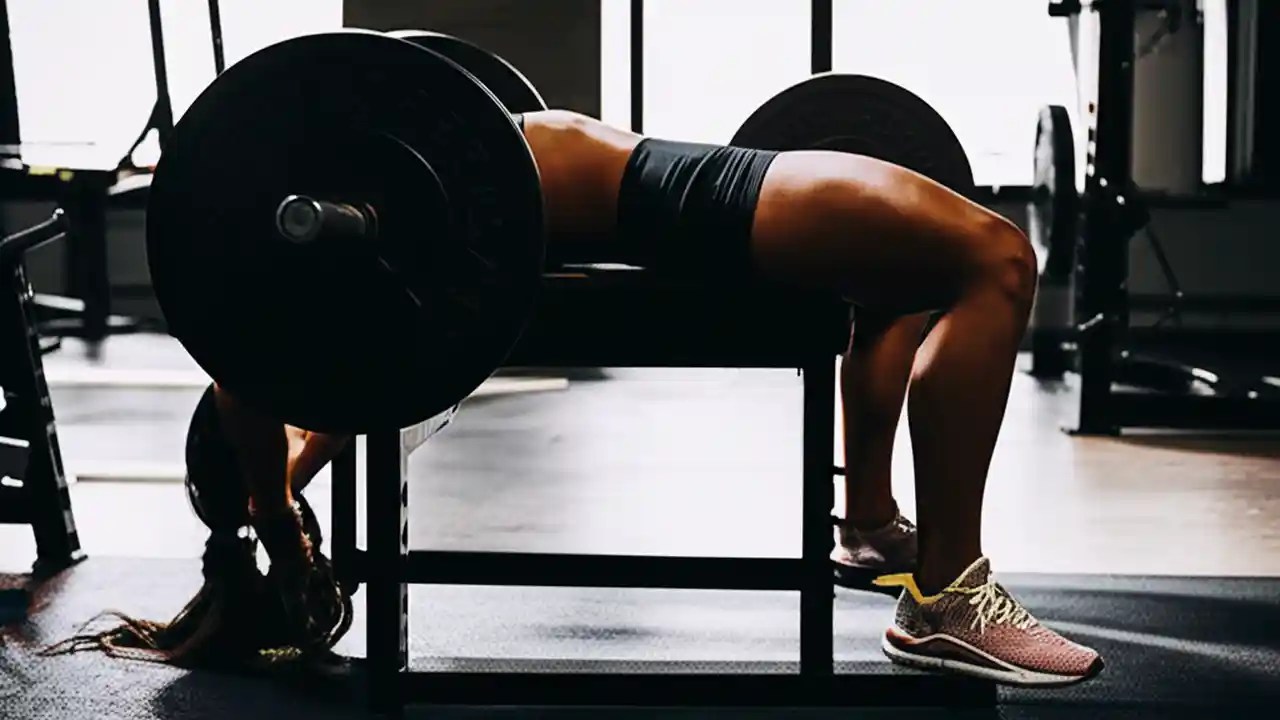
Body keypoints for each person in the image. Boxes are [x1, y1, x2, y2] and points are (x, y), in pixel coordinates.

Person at [108, 108, 1103, 686]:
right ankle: (945, 598)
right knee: (994, 258)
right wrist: (276, 524)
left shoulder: (326, 371)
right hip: (676, 202)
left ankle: (875, 523)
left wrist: (282, 508)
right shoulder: (327, 358)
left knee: (921, 277)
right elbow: (245, 389)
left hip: (669, 184)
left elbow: (259, 394)